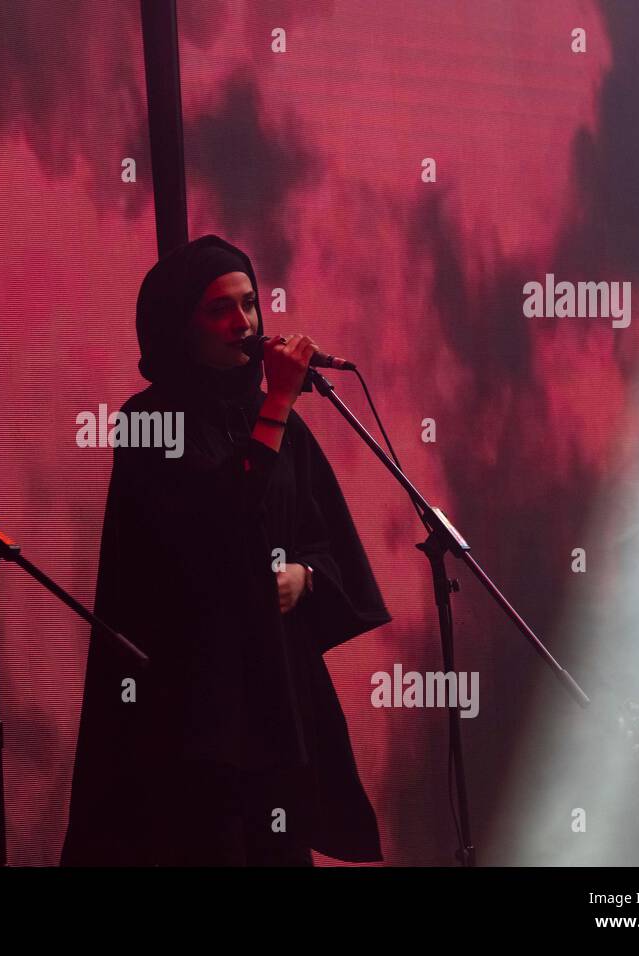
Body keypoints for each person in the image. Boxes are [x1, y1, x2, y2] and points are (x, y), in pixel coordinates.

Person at [61, 236, 392, 866]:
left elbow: (323, 539)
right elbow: (212, 525)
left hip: (273, 694)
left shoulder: (277, 420)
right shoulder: (149, 421)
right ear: (181, 323)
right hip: (194, 708)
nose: (243, 324)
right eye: (220, 309)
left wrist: (308, 576)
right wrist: (275, 405)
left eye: (249, 304)